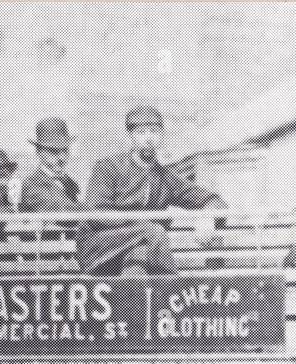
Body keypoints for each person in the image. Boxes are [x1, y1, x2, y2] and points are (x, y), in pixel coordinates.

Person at [77, 106, 225, 276]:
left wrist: (207, 217)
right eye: (141, 132)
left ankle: (137, 300)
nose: (148, 139)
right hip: (98, 248)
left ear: (162, 137)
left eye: (154, 132)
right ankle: (173, 289)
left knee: (139, 256)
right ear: (131, 137)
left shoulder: (165, 177)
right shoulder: (109, 167)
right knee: (154, 232)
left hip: (140, 246)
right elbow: (97, 214)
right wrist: (145, 226)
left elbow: (213, 201)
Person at [20, 118, 82, 215]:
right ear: (39, 152)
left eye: (65, 150)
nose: (62, 157)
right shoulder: (30, 186)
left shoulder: (68, 181)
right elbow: (61, 213)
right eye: (54, 151)